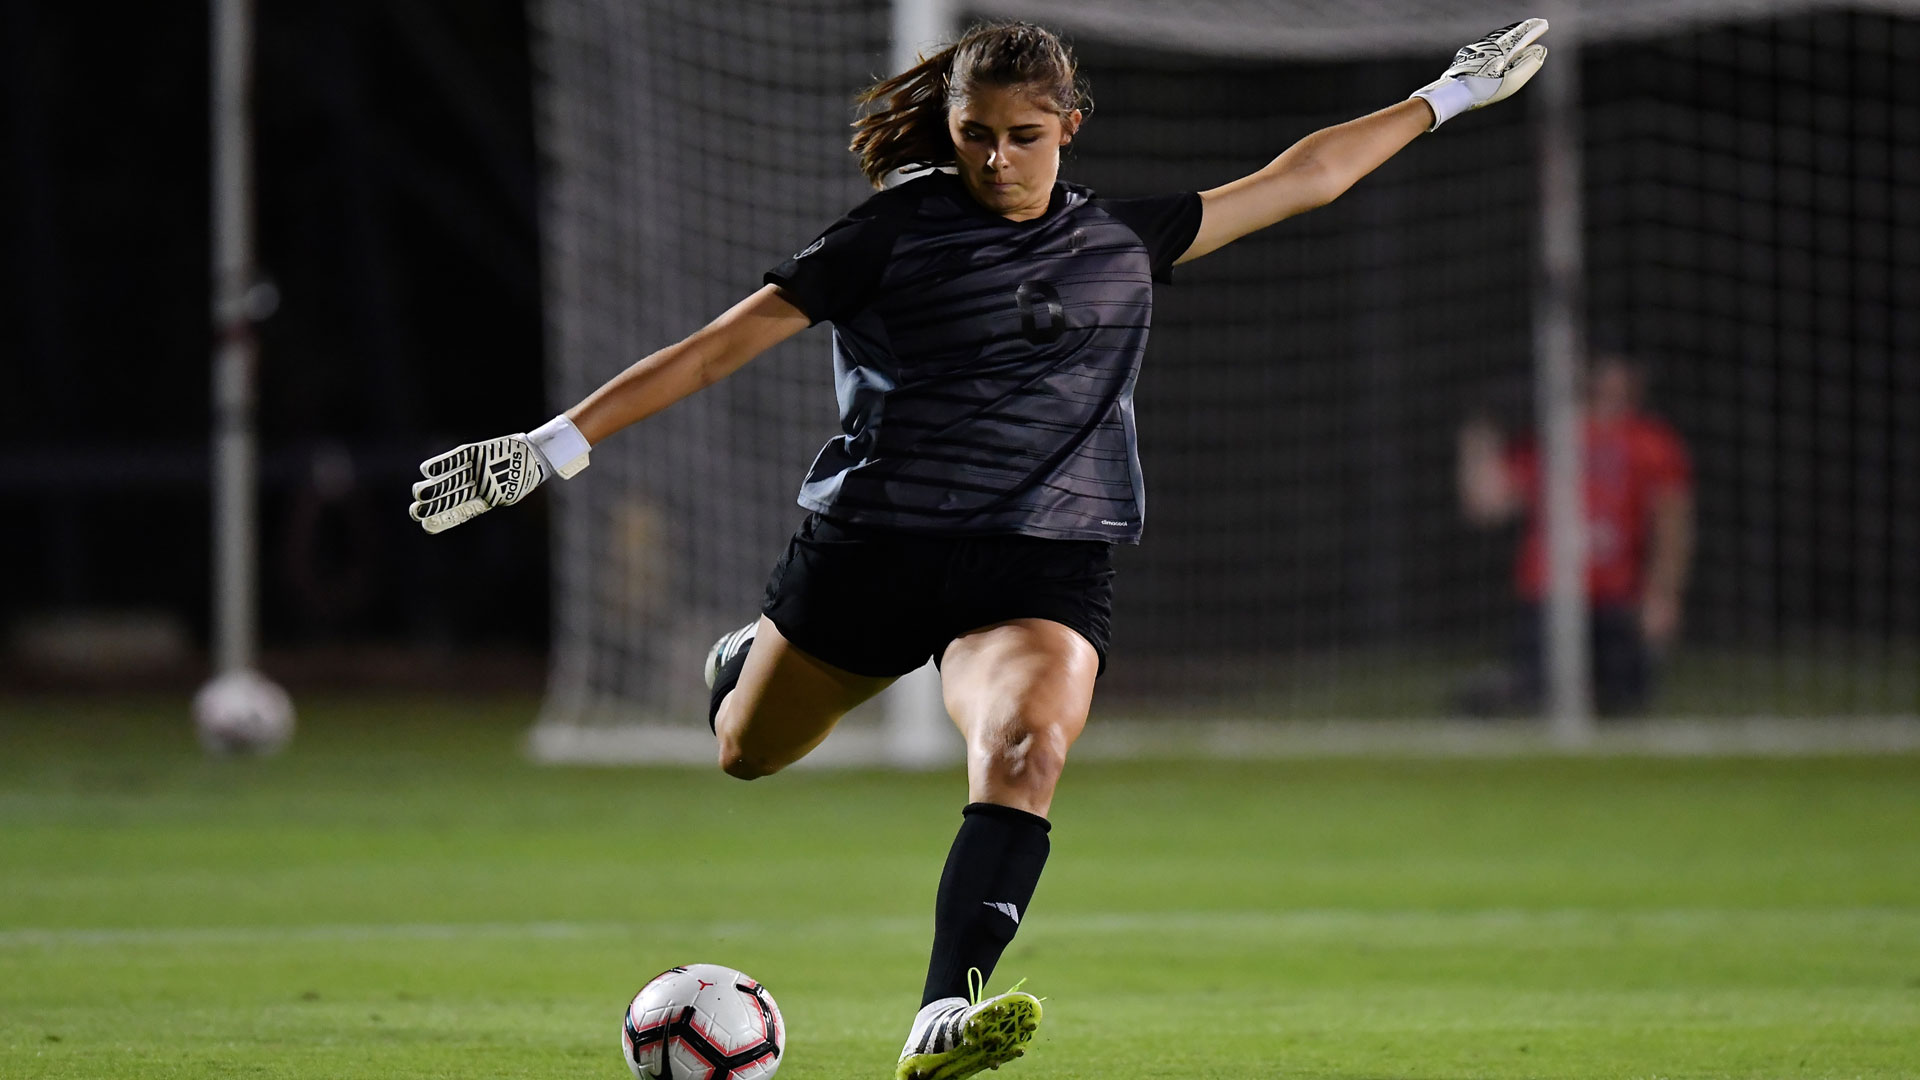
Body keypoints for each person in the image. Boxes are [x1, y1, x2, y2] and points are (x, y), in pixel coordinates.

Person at [409, 19, 1551, 1080]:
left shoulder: (1119, 239)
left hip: (1039, 562)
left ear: (1069, 127)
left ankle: (939, 1014)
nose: (999, 160)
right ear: (950, 130)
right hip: (874, 552)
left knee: (1024, 743)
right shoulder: (890, 235)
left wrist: (1449, 92)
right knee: (748, 753)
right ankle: (745, 660)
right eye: (976, 136)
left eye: (1024, 137)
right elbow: (718, 348)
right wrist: (553, 446)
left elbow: (1304, 177)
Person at [1457, 352, 1695, 716]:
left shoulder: (1652, 443)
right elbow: (1487, 505)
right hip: (1548, 598)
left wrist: (1663, 595)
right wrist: (1479, 436)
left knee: (1623, 704)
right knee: (1534, 700)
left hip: (1616, 600)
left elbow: (1673, 525)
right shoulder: (1553, 437)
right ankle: (1506, 688)